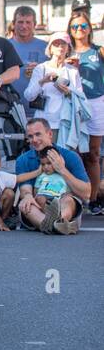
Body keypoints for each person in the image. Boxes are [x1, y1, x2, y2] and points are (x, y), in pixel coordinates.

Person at [15, 119, 89, 234]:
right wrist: (28, 196)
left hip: (63, 202)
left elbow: (86, 193)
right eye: (30, 136)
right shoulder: (22, 160)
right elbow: (25, 188)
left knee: (68, 200)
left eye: (38, 134)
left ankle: (55, 223)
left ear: (49, 134)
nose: (34, 140)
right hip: (39, 204)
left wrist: (62, 169)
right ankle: (57, 226)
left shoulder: (70, 156)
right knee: (26, 204)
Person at [67, 13, 104, 215]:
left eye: (83, 26)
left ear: (90, 28)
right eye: (74, 27)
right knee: (75, 152)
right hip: (72, 103)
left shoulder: (98, 51)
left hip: (96, 102)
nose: (79, 30)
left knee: (94, 153)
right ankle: (78, 196)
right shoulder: (65, 49)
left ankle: (95, 199)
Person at [25, 33, 81, 142]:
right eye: (56, 44)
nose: (60, 47)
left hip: (65, 123)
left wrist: (68, 92)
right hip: (43, 124)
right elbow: (28, 96)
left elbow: (80, 99)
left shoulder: (73, 71)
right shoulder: (40, 69)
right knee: (44, 156)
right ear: (50, 49)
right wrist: (43, 81)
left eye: (63, 44)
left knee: (63, 156)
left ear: (68, 49)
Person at [9, 5, 46, 106]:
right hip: (11, 108)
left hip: (39, 109)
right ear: (13, 24)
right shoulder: (5, 46)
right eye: (20, 22)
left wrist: (40, 71)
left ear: (35, 24)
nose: (24, 26)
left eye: (28, 22)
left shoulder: (45, 47)